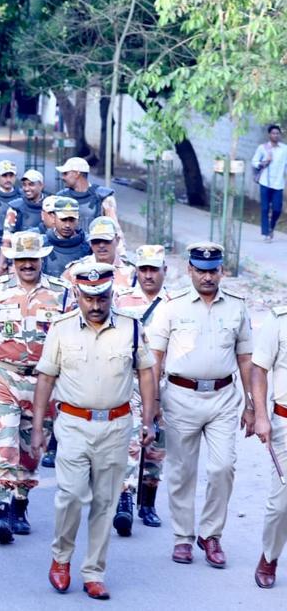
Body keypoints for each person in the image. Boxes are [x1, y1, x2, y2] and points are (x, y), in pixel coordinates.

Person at [32, 262, 158, 600]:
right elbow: (46, 377)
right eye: (89, 298)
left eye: (102, 296)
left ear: (111, 293)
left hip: (116, 426)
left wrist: (149, 420)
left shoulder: (131, 328)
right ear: (77, 295)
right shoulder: (61, 328)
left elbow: (146, 373)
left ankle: (94, 571)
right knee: (70, 496)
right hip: (73, 424)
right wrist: (38, 428)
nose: (96, 304)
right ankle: (61, 558)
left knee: (105, 501)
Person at [147, 241, 254, 568]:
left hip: (223, 397)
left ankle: (212, 534)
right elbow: (155, 358)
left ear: (222, 271)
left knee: (223, 467)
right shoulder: (171, 306)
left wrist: (251, 405)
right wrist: (152, 401)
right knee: (182, 472)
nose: (207, 277)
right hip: (180, 397)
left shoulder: (237, 306)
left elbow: (246, 359)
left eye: (213, 271)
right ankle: (182, 537)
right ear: (190, 270)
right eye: (201, 271)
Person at [0, 232, 72, 543]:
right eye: (21, 260)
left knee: (32, 448)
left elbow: (70, 339)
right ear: (13, 261)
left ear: (42, 259)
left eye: (33, 259)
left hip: (44, 383)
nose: (27, 265)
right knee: (5, 443)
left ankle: (21, 503)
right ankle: (1, 509)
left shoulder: (61, 293)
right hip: (5, 378)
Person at [112, 244, 170, 534]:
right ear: (136, 270)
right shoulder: (121, 300)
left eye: (153, 270)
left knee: (157, 447)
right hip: (131, 382)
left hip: (165, 384)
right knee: (133, 441)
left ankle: (148, 502)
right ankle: (125, 499)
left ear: (164, 271)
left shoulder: (174, 303)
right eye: (143, 269)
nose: (148, 275)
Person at [250, 294, 287, 588]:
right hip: (285, 421)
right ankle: (269, 556)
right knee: (281, 503)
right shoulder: (279, 320)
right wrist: (261, 415)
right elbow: (259, 369)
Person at [55, 156, 122, 246]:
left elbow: (114, 228)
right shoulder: (60, 197)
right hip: (67, 248)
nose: (62, 177)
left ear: (77, 173)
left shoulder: (103, 197)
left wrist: (121, 254)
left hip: (95, 249)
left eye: (65, 173)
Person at [253, 124, 287, 242]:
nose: (275, 135)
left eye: (277, 133)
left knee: (277, 209)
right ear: (269, 135)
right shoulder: (262, 148)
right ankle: (266, 233)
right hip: (265, 182)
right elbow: (254, 162)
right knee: (265, 208)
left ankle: (271, 228)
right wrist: (262, 163)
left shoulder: (284, 149)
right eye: (273, 133)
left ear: (280, 135)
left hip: (278, 184)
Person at [42, 196, 91, 277]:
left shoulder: (89, 244)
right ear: (54, 218)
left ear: (78, 219)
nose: (67, 225)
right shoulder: (42, 244)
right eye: (63, 220)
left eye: (72, 220)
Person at [2, 169, 48, 246]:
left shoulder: (50, 206)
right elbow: (7, 238)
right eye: (24, 185)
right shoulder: (16, 207)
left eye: (31, 184)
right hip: (21, 250)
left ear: (41, 185)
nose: (26, 188)